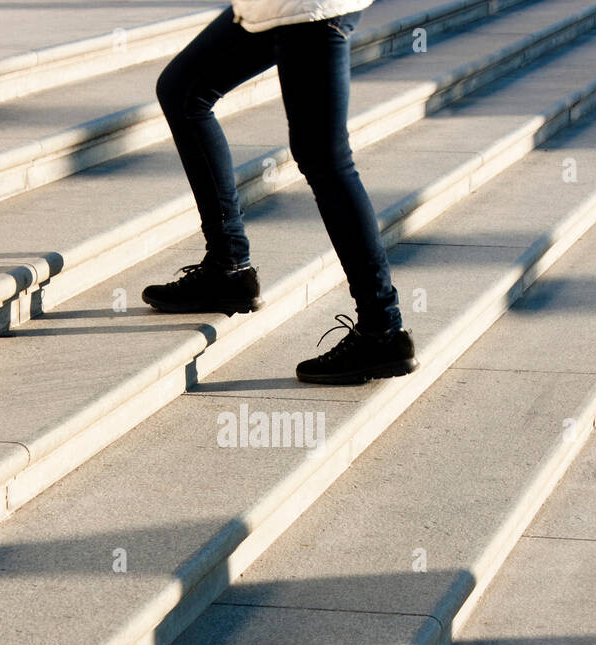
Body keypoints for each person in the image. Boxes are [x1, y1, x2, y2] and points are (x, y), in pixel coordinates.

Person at [142, 0, 418, 385]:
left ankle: (382, 329)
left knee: (325, 158)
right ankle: (228, 267)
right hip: (276, 8)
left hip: (309, 12)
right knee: (182, 90)